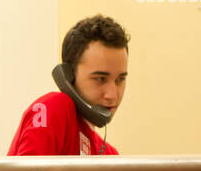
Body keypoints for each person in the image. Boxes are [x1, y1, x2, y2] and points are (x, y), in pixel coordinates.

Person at [8, 14, 129, 156]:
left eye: (120, 79)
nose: (112, 95)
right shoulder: (53, 108)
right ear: (69, 76)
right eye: (100, 79)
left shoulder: (109, 154)